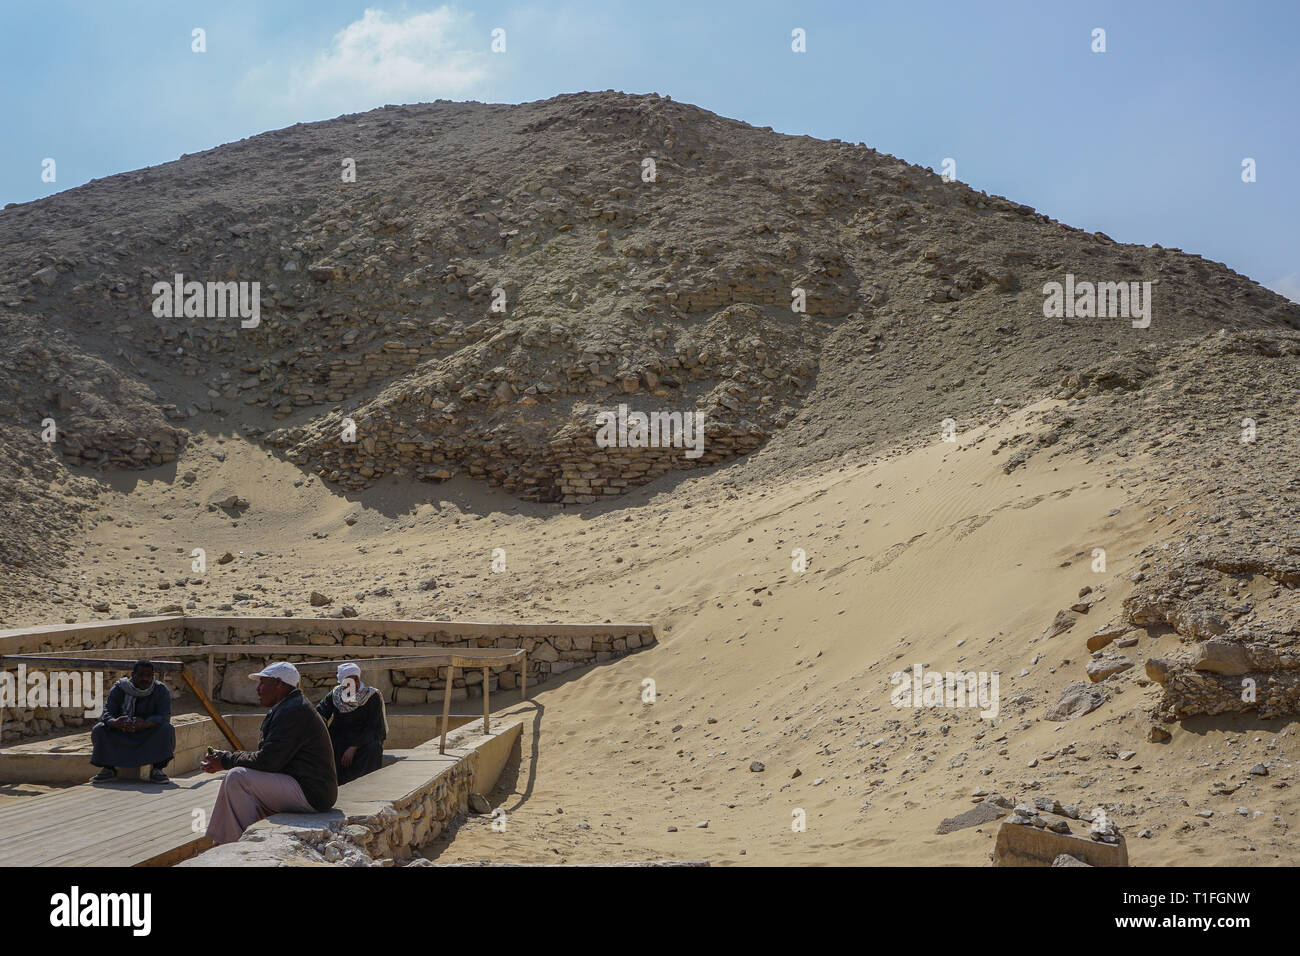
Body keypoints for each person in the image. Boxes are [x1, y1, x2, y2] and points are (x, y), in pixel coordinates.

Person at [200, 661, 338, 845]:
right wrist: (226, 759)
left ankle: (242, 845)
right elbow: (270, 758)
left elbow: (268, 761)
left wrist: (226, 760)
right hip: (308, 788)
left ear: (280, 684)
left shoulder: (293, 711)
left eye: (263, 683)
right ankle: (227, 842)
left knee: (237, 778)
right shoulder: (290, 706)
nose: (258, 689)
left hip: (312, 794)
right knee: (234, 779)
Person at [90, 660, 176, 784]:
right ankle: (108, 769)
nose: (145, 679)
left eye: (148, 676)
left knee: (166, 729)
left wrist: (145, 723)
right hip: (122, 731)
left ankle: (157, 770)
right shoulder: (119, 688)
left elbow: (164, 716)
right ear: (133, 674)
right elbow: (107, 712)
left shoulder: (160, 690)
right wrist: (115, 722)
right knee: (99, 729)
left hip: (146, 733)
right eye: (141, 675)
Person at [316, 662, 387, 784]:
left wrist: (353, 747)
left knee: (373, 748)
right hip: (340, 739)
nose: (354, 683)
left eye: (356, 679)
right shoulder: (336, 695)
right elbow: (320, 713)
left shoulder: (371, 696)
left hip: (364, 740)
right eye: (349, 680)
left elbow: (374, 727)